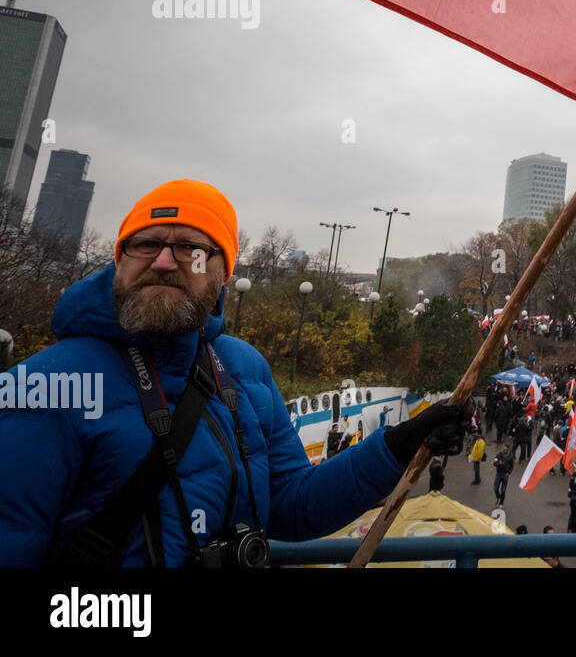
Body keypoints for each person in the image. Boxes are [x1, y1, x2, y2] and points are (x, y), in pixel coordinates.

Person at [0, 179, 470, 567]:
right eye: (143, 245)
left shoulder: (243, 368)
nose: (163, 261)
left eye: (191, 249)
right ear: (119, 262)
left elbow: (290, 505)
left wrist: (398, 447)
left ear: (223, 271)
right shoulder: (40, 388)